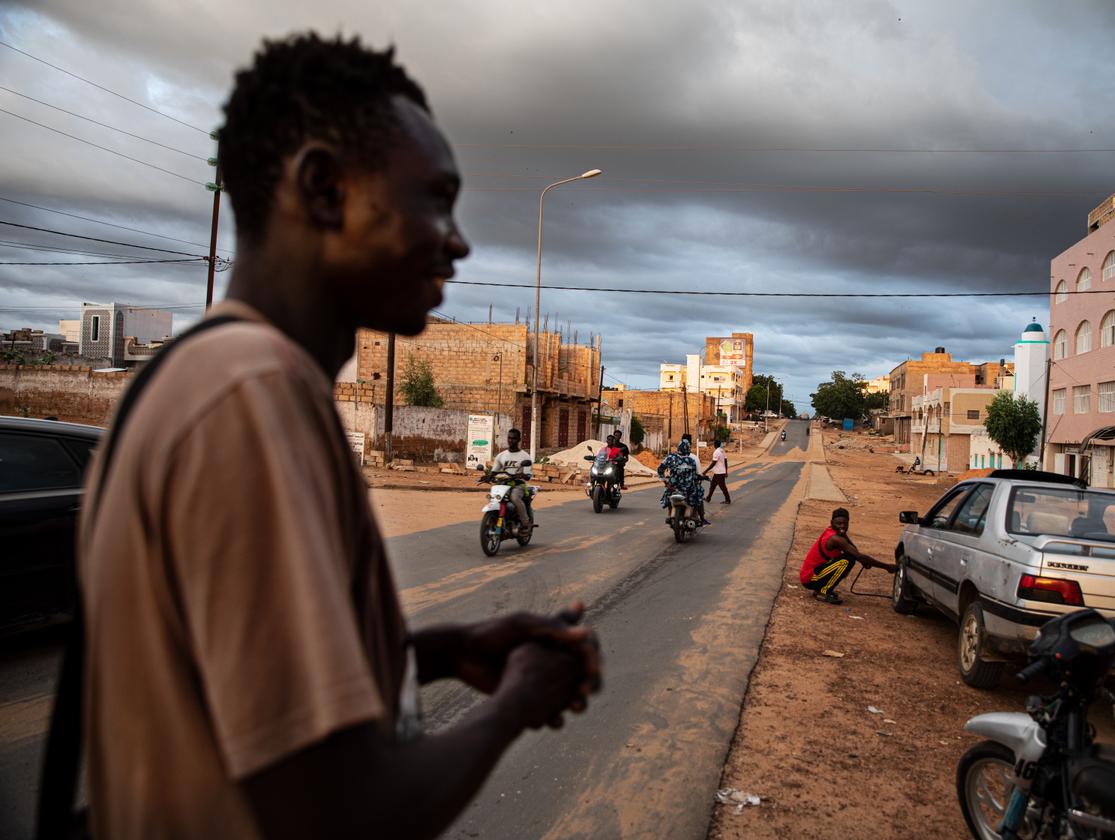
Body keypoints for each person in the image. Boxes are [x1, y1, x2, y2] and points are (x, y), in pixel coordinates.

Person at [76, 34, 599, 840]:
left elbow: (249, 686)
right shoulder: (253, 395)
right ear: (323, 188)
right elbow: (344, 813)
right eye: (436, 199)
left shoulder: (211, 371)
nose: (457, 240)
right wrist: (518, 703)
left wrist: (447, 648)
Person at [799, 507, 896, 605]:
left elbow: (853, 550)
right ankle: (822, 592)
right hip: (810, 578)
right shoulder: (835, 538)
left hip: (817, 573)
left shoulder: (838, 532)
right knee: (845, 561)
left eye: (845, 524)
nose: (842, 526)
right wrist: (887, 567)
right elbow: (859, 556)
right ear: (832, 522)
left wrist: (862, 560)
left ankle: (822, 588)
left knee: (850, 557)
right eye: (839, 523)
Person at [488, 427, 534, 531]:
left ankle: (525, 522)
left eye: (513, 438)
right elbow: (494, 471)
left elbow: (528, 474)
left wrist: (524, 475)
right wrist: (488, 475)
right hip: (503, 484)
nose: (510, 440)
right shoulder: (501, 456)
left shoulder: (524, 456)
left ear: (519, 440)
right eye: (509, 438)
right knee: (494, 497)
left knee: (514, 497)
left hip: (518, 485)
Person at [657, 439, 709, 526]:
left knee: (667, 494)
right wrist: (703, 477)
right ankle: (695, 515)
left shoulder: (670, 458)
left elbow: (660, 470)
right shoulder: (691, 461)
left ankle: (670, 513)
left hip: (673, 487)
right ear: (688, 449)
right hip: (687, 489)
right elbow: (694, 476)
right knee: (699, 492)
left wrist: (666, 483)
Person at [703, 438, 731, 504]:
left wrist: (706, 471)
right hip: (719, 472)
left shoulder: (716, 452)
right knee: (712, 485)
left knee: (723, 487)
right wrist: (726, 471)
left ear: (715, 445)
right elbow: (725, 461)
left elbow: (713, 463)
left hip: (719, 473)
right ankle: (708, 498)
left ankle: (728, 499)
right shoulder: (722, 451)